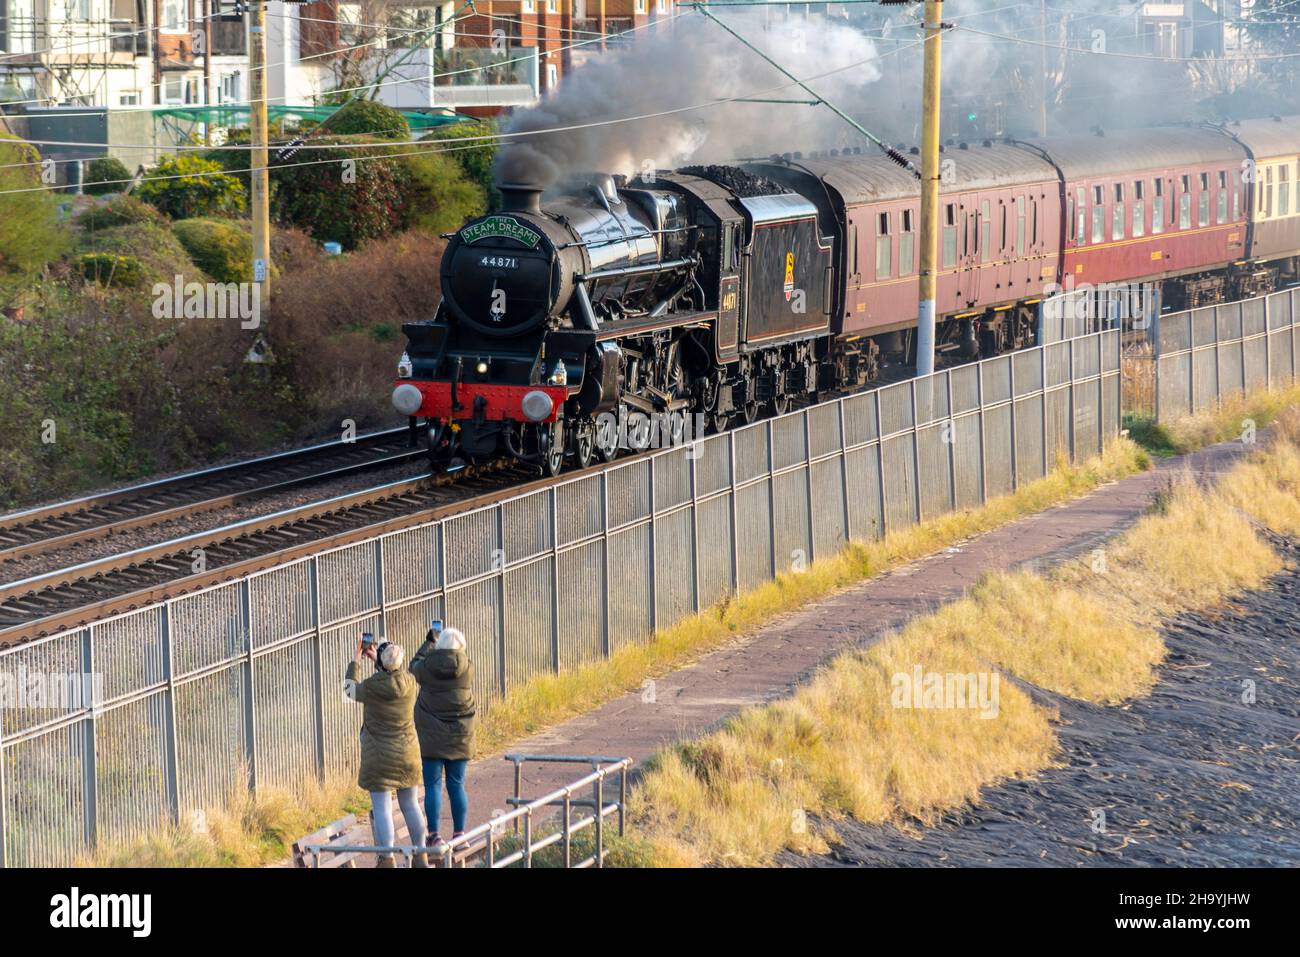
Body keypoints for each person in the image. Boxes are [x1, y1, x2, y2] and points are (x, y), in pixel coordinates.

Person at [345, 639, 427, 867]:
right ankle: (421, 854)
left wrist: (356, 660)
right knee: (411, 805)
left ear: (380, 664)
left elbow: (348, 690)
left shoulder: (371, 687)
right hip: (407, 754)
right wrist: (381, 661)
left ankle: (388, 858)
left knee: (383, 809)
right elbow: (394, 673)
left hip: (379, 757)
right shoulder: (410, 682)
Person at [410, 625, 476, 849]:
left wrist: (428, 642)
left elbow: (413, 665)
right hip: (460, 734)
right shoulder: (467, 667)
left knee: (433, 786)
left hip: (432, 736)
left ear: (439, 644)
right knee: (457, 784)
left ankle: (435, 835)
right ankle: (459, 834)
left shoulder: (427, 666)